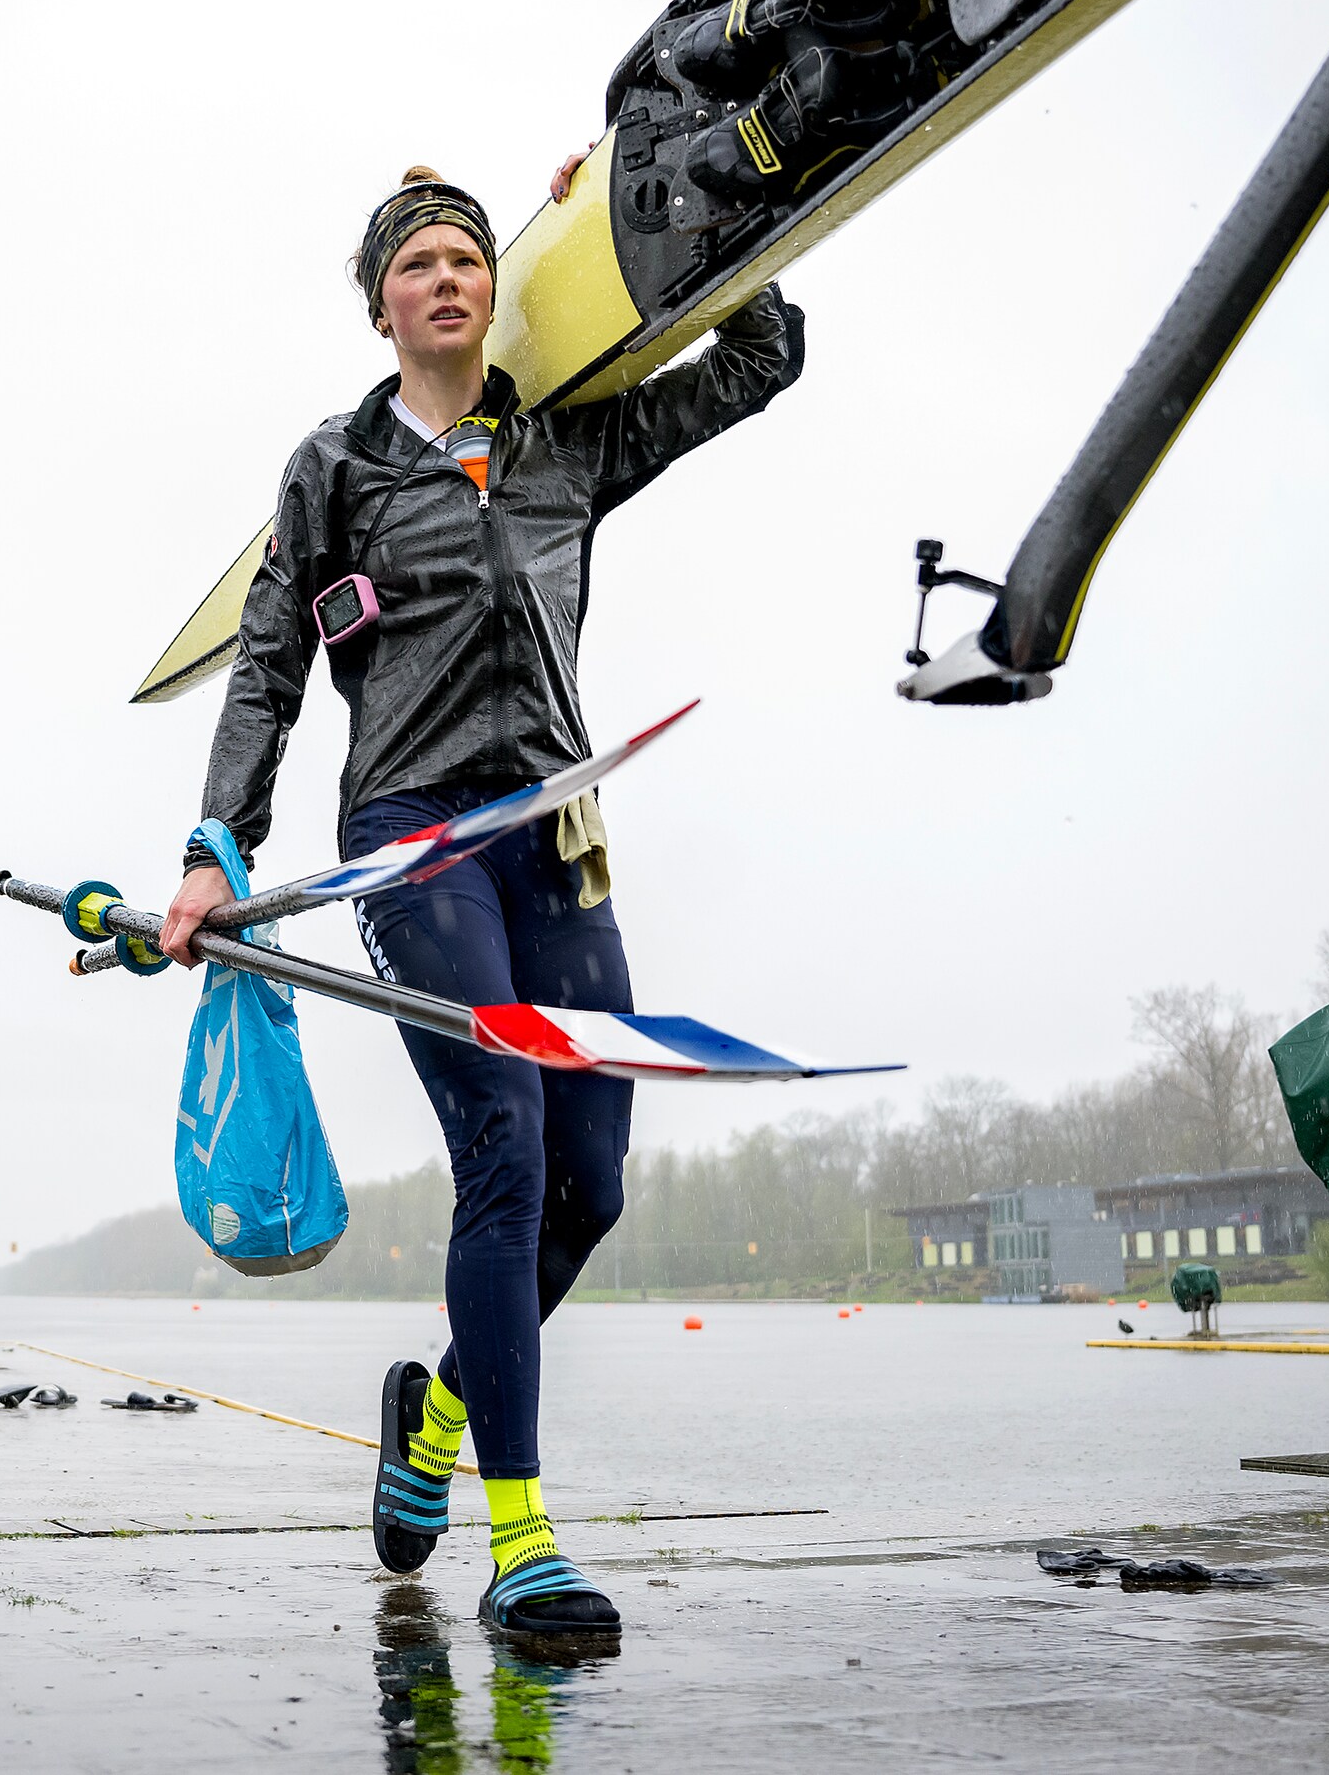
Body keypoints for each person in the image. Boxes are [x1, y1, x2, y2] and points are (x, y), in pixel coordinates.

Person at [161, 156, 804, 1635]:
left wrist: (658, 212)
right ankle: (521, 1538)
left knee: (593, 1186)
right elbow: (266, 669)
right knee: (504, 1149)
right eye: (417, 265)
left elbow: (765, 357)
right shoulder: (332, 469)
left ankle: (438, 1415)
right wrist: (216, 845)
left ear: (492, 289)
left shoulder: (570, 442)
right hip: (416, 841)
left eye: (466, 257)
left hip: (557, 834)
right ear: (382, 306)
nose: (447, 277)